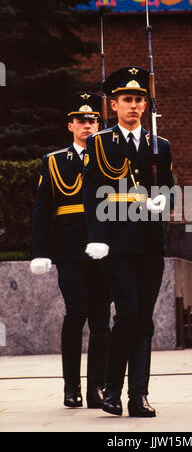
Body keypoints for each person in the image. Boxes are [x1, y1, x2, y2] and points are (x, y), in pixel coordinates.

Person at [82, 66, 174, 417]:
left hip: (149, 240)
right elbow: (91, 194)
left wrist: (163, 200)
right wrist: (98, 237)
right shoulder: (100, 142)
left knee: (144, 319)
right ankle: (112, 388)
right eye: (127, 100)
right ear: (114, 105)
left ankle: (139, 394)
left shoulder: (159, 145)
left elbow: (169, 189)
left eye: (139, 100)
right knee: (128, 315)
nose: (134, 105)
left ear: (146, 105)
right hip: (116, 241)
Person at [30, 92, 111, 409]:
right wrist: (40, 251)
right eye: (81, 120)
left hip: (104, 251)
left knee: (102, 320)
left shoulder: (110, 159)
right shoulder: (53, 162)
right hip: (69, 252)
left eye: (92, 120)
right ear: (70, 125)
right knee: (76, 313)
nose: (88, 125)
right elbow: (42, 211)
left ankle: (98, 388)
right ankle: (72, 387)